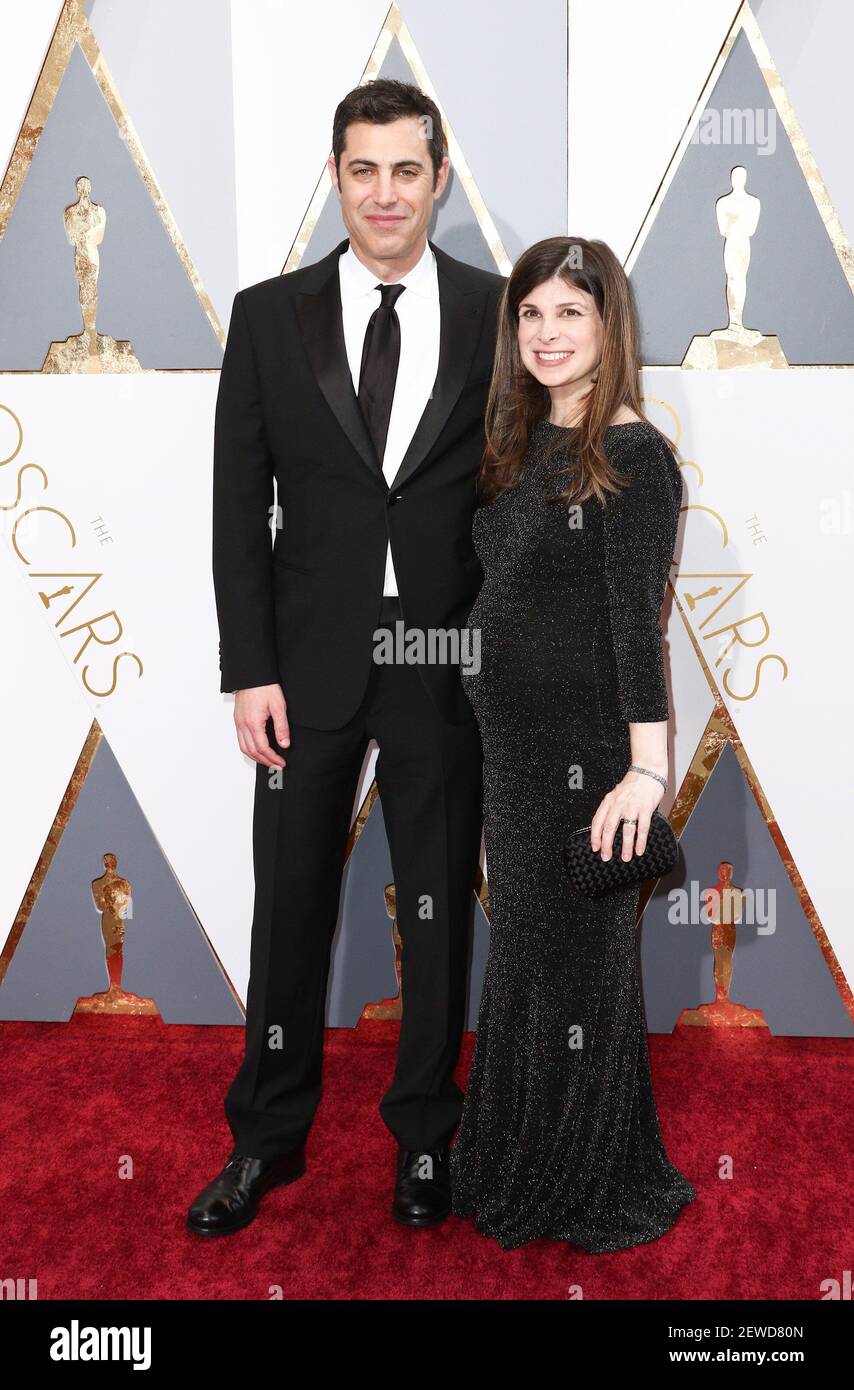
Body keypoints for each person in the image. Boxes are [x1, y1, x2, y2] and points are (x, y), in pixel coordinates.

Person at [187, 79, 504, 1237]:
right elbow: (237, 508)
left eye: (405, 170)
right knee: (290, 912)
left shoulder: (492, 311)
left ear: (438, 178)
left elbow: (512, 492)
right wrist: (246, 666)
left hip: (436, 654)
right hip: (304, 661)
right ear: (336, 177)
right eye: (362, 169)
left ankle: (424, 1137)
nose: (384, 192)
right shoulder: (268, 317)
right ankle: (265, 1140)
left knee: (432, 910)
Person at [449, 236, 697, 1251]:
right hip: (511, 759)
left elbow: (633, 624)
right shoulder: (519, 443)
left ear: (608, 327)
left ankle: (584, 1177)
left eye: (570, 315)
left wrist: (643, 769)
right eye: (531, 315)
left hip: (586, 762)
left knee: (573, 978)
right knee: (525, 963)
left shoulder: (631, 455)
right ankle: (518, 1154)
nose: (546, 335)